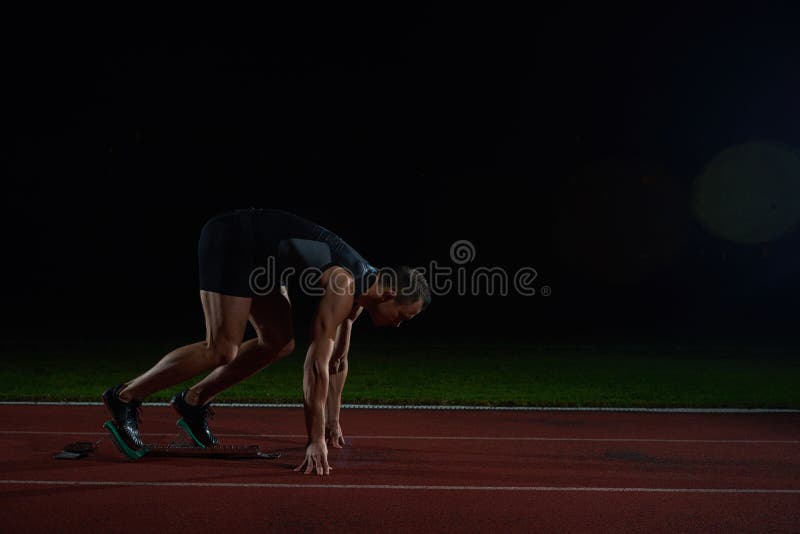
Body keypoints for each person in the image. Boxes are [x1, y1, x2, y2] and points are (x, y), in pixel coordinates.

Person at [102, 208, 430, 475]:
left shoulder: (363, 290)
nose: (399, 324)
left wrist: (333, 420)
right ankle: (125, 397)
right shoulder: (346, 285)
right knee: (222, 348)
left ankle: (193, 401)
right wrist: (315, 439)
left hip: (263, 260)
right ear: (389, 294)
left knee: (278, 341)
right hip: (235, 238)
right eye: (404, 316)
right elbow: (316, 366)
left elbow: (337, 361)